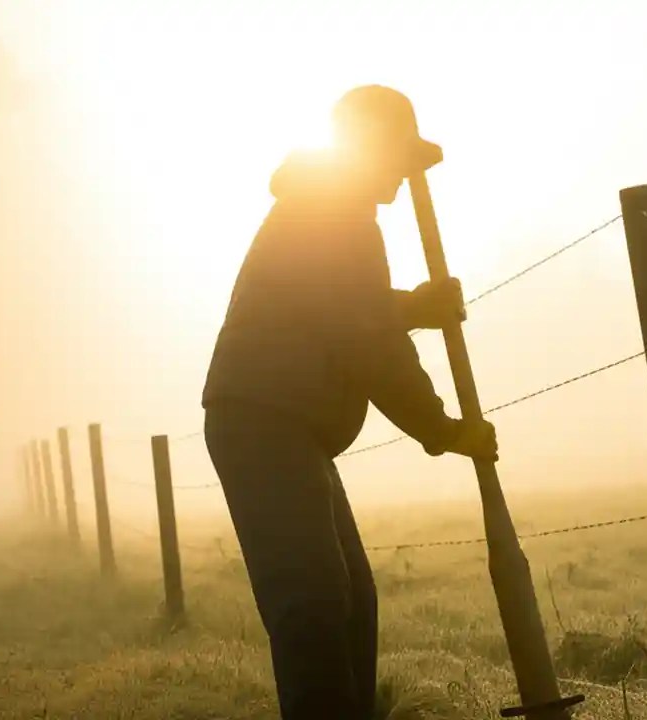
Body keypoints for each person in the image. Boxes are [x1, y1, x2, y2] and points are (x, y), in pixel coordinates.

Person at [201, 85, 498, 720]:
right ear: (374, 148)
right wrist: (443, 429)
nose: (402, 173)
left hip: (287, 428)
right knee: (312, 602)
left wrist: (415, 307)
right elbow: (368, 343)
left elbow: (344, 308)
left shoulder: (328, 209)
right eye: (400, 157)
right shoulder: (335, 212)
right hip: (263, 423)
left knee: (352, 599)